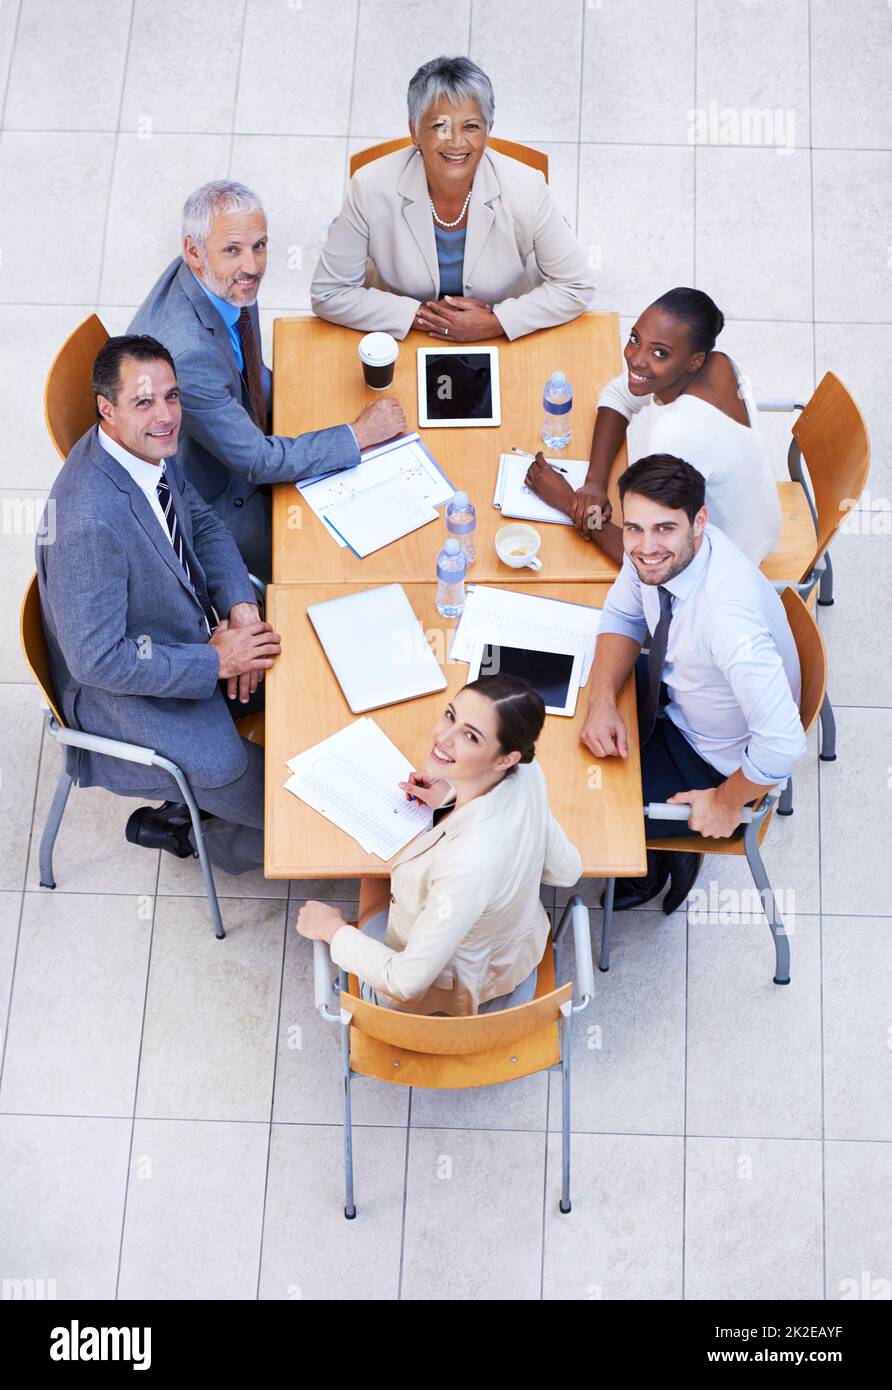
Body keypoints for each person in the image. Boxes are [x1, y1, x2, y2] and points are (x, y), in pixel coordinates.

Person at [37, 335, 280, 870]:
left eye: (172, 396)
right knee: (287, 810)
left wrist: (241, 611)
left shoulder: (146, 447)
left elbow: (202, 521)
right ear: (108, 410)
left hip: (187, 634)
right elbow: (98, 661)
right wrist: (218, 661)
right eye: (144, 402)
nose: (166, 416)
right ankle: (192, 835)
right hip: (123, 695)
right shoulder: (87, 524)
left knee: (294, 661)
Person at [129, 180, 406, 580]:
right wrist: (356, 435)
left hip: (234, 434)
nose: (253, 266)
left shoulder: (219, 282)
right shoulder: (188, 356)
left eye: (259, 245)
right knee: (331, 560)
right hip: (211, 494)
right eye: (233, 251)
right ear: (193, 251)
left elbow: (248, 372)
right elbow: (257, 461)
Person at [581, 454, 806, 913]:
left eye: (664, 528)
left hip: (712, 757)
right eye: (634, 528)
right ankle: (656, 848)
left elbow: (783, 745)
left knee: (582, 813)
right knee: (550, 713)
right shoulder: (659, 556)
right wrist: (602, 701)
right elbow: (624, 615)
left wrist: (724, 802)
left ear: (698, 521)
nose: (646, 546)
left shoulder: (728, 620)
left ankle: (664, 858)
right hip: (678, 693)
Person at [296, 675, 582, 1016]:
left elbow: (405, 981)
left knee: (372, 872)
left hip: (445, 1004)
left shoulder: (468, 866)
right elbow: (567, 871)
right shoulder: (529, 772)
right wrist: (451, 795)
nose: (443, 738)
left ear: (505, 758)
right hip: (510, 964)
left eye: (471, 736)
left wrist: (332, 929)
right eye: (450, 715)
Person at [310, 55, 595, 343]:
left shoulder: (527, 189)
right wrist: (422, 317)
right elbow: (329, 293)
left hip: (501, 337)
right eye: (440, 126)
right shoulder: (369, 187)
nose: (457, 142)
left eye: (471, 126)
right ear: (415, 131)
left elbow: (576, 285)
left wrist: (497, 321)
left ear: (488, 130)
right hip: (403, 337)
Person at [525, 287, 781, 566]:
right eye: (635, 339)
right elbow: (618, 394)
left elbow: (649, 559)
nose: (636, 358)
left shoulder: (676, 434)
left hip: (725, 564)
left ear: (695, 360)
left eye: (660, 353)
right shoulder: (718, 362)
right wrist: (594, 485)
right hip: (759, 527)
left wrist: (568, 503)